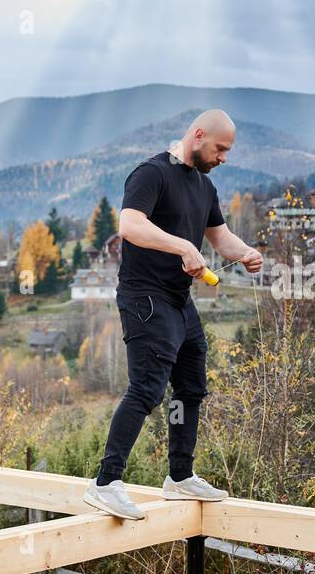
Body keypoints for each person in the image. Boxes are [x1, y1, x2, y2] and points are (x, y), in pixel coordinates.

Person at [82, 109, 263, 520]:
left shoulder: (203, 186)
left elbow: (220, 236)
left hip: (180, 300)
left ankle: (179, 477)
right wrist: (181, 246)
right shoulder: (151, 173)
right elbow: (130, 225)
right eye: (220, 148)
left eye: (228, 152)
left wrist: (245, 252)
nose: (224, 158)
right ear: (198, 136)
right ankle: (105, 482)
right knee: (146, 389)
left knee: (191, 388)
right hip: (145, 297)